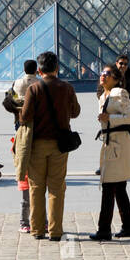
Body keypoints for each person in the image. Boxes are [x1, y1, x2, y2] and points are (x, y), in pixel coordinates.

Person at [18, 50, 81, 241]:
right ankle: (55, 231)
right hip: (60, 145)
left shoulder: (34, 89)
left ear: (39, 70)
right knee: (57, 188)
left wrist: (18, 111)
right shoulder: (67, 88)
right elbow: (76, 112)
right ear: (57, 68)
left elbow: (26, 117)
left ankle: (37, 230)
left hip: (37, 144)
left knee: (36, 187)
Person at [90, 65, 130, 240]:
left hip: (118, 146)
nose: (102, 76)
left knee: (108, 187)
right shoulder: (103, 95)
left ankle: (104, 229)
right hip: (110, 144)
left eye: (106, 74)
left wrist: (110, 118)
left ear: (115, 78)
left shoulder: (119, 92)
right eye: (102, 73)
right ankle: (128, 227)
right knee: (119, 188)